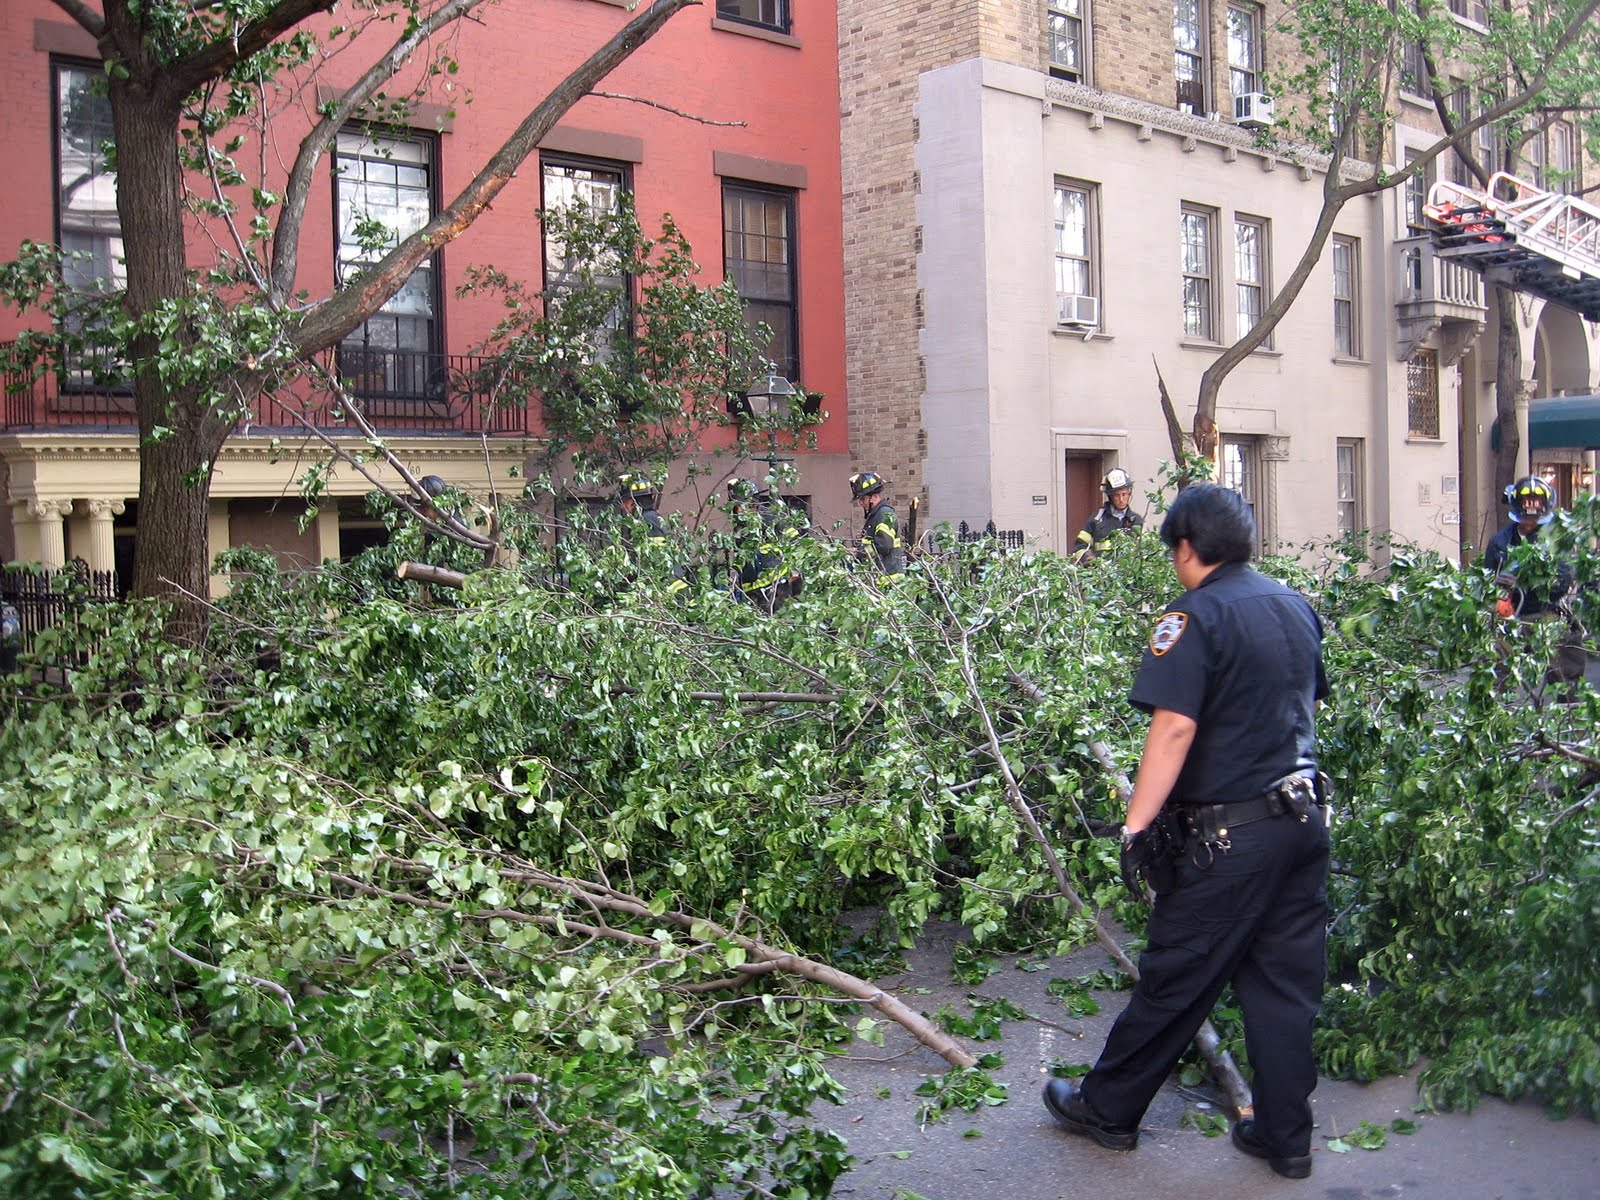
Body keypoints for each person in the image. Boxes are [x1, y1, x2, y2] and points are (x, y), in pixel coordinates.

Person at [1043, 482, 1331, 1181]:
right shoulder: (1294, 605)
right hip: (1303, 819)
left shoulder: (1193, 617)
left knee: (1176, 978)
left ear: (1188, 546)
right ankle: (1286, 1137)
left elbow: (1173, 726)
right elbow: (1301, 705)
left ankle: (1106, 1110)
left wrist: (1136, 828)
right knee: (1283, 988)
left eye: (1174, 549)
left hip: (1230, 837)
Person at [1483, 475, 1585, 690]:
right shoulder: (1500, 542)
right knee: (1497, 648)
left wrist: (1528, 581)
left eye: (1535, 520)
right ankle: (1501, 698)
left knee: (1564, 639)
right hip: (1510, 614)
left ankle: (1566, 695)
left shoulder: (1557, 540)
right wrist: (1498, 588)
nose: (1530, 523)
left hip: (1545, 609)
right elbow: (1485, 580)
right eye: (1525, 518)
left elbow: (1562, 582)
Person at [728, 478, 802, 613]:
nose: (740, 511)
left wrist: (796, 569)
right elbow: (743, 554)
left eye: (743, 506)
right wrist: (736, 573)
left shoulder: (769, 517)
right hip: (753, 588)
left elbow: (794, 540)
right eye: (737, 507)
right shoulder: (740, 525)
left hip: (776, 583)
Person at [616, 471, 687, 593]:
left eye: (625, 502)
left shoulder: (646, 521)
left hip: (668, 592)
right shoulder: (650, 518)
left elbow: (648, 560)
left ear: (635, 502)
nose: (622, 507)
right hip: (669, 589)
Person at [1075, 468, 1144, 560]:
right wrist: (1088, 560)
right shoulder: (1097, 520)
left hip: (1129, 573)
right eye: (1117, 495)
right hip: (1101, 573)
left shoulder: (1137, 521)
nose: (1121, 499)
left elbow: (1146, 550)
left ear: (1129, 493)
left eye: (1124, 494)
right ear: (1110, 496)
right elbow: (1080, 547)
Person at [849, 470, 905, 575]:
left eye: (863, 499)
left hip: (889, 579)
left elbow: (883, 546)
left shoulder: (884, 514)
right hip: (880, 576)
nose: (860, 503)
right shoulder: (876, 515)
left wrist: (859, 552)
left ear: (874, 497)